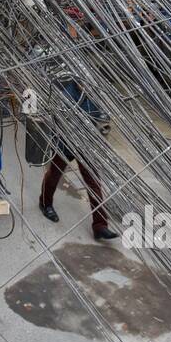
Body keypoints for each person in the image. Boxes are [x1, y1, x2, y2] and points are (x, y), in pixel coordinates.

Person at [38, 72, 118, 241]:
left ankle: (100, 226)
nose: (87, 85)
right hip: (65, 142)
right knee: (54, 175)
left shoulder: (94, 97)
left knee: (93, 182)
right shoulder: (67, 93)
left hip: (86, 145)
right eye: (84, 82)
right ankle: (45, 204)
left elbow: (103, 119)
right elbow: (57, 118)